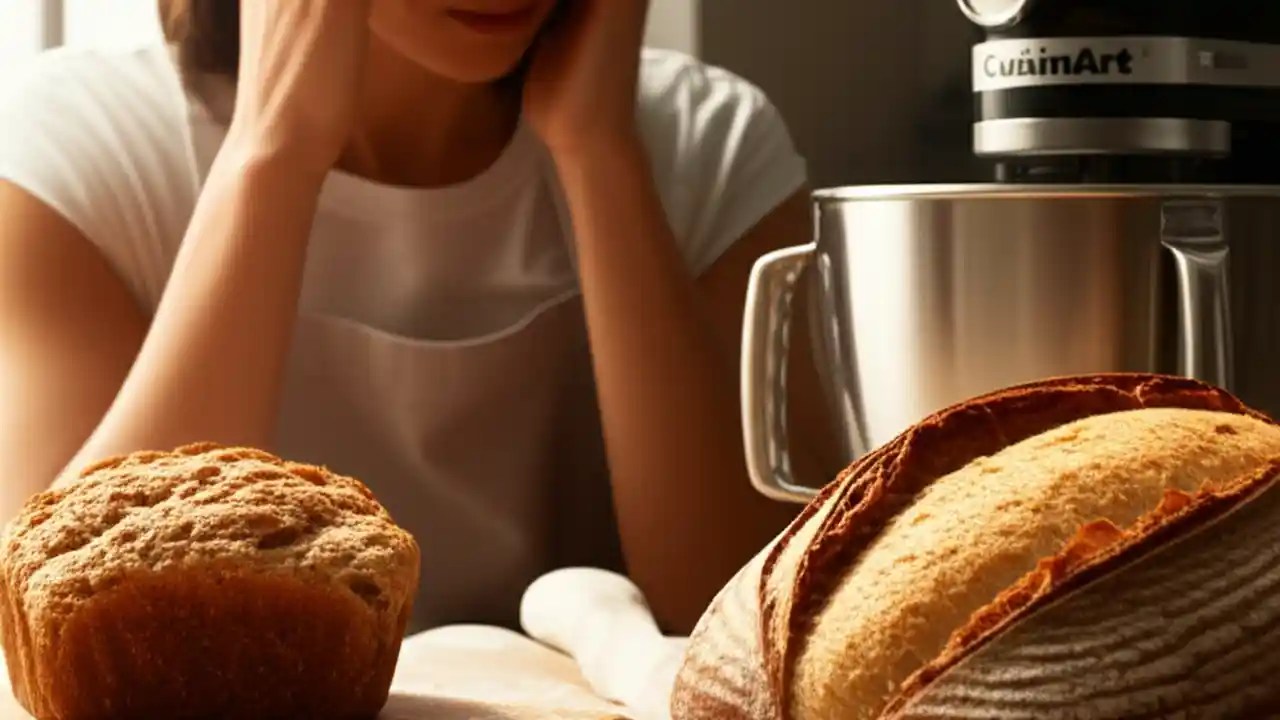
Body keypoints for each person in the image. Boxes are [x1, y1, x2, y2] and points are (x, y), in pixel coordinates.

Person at [0, 0, 839, 635]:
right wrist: (274, 147)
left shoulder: (711, 146)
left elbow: (747, 620)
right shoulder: (80, 149)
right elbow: (70, 622)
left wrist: (599, 151)